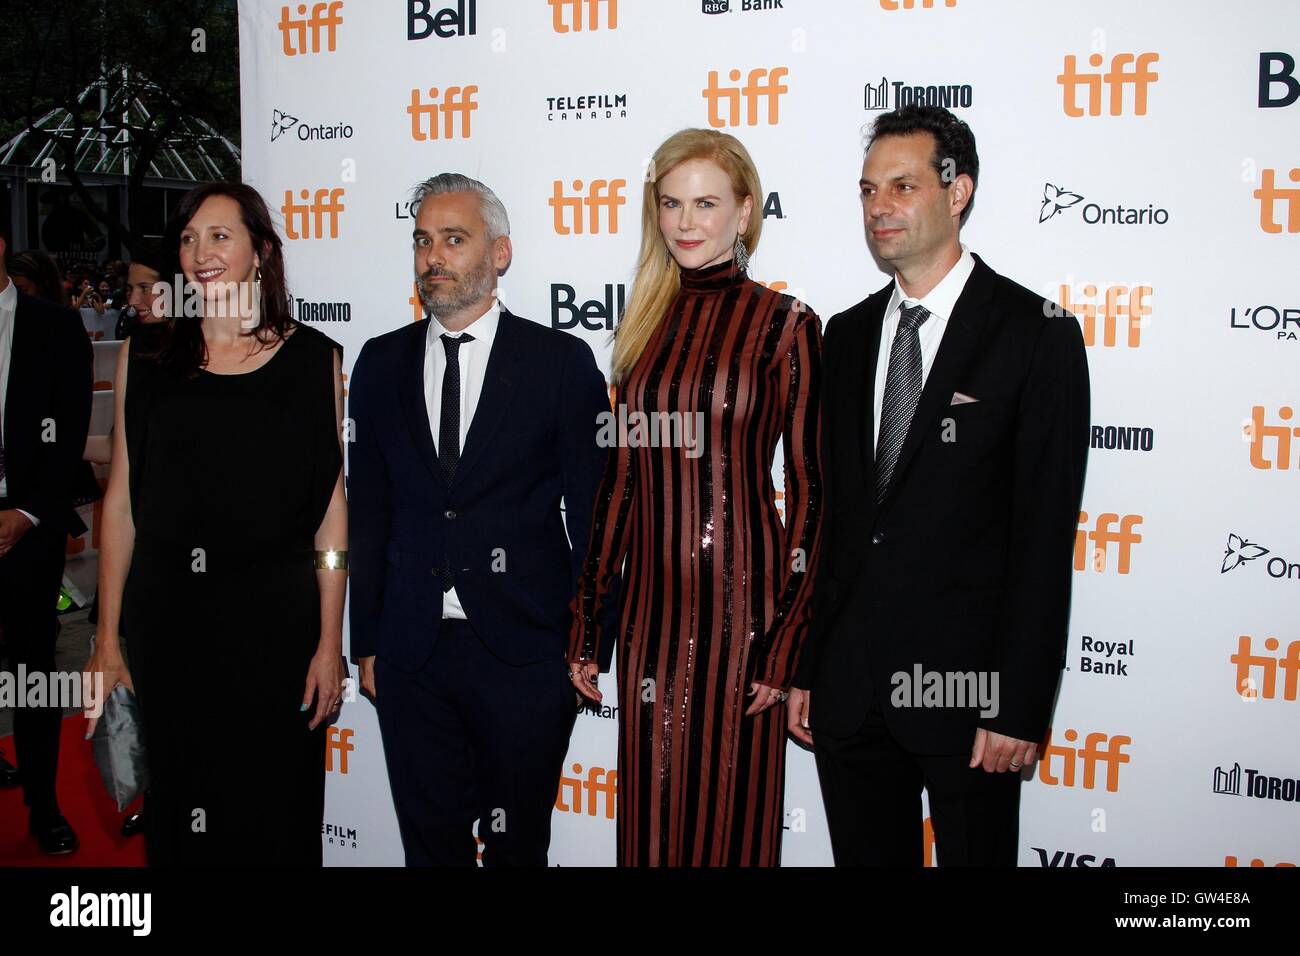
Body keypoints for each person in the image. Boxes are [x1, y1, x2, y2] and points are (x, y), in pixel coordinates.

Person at [788, 104, 1090, 866]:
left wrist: (1018, 705)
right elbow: (833, 519)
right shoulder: (847, 336)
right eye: (866, 191)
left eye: (901, 186)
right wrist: (806, 668)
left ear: (959, 192)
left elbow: (1044, 535)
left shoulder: (1036, 333)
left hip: (970, 699)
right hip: (851, 691)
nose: (878, 208)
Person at [568, 128, 825, 866]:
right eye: (671, 203)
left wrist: (788, 642)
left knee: (731, 830)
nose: (685, 221)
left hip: (748, 614)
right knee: (650, 829)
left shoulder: (787, 325)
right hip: (651, 615)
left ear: (744, 212)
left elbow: (811, 494)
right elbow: (619, 484)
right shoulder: (643, 327)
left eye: (705, 203)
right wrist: (587, 622)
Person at [348, 173, 611, 867]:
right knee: (429, 848)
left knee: (517, 846)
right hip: (411, 651)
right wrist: (366, 641)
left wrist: (588, 641)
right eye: (423, 241)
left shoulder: (560, 364)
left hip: (526, 651)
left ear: (499, 254)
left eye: (454, 240)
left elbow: (594, 515)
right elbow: (368, 510)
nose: (433, 256)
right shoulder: (379, 363)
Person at [83, 182, 348, 866]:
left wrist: (328, 642)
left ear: (260, 250)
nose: (201, 253)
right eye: (189, 239)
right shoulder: (144, 357)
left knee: (275, 816)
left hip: (277, 633)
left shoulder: (316, 359)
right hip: (169, 628)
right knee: (181, 813)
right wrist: (107, 640)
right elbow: (120, 505)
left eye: (220, 236)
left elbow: (329, 516)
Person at [0, 227, 94, 854]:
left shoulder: (54, 327)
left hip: (26, 533)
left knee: (33, 671)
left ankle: (43, 802)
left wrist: (30, 511)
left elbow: (71, 429)